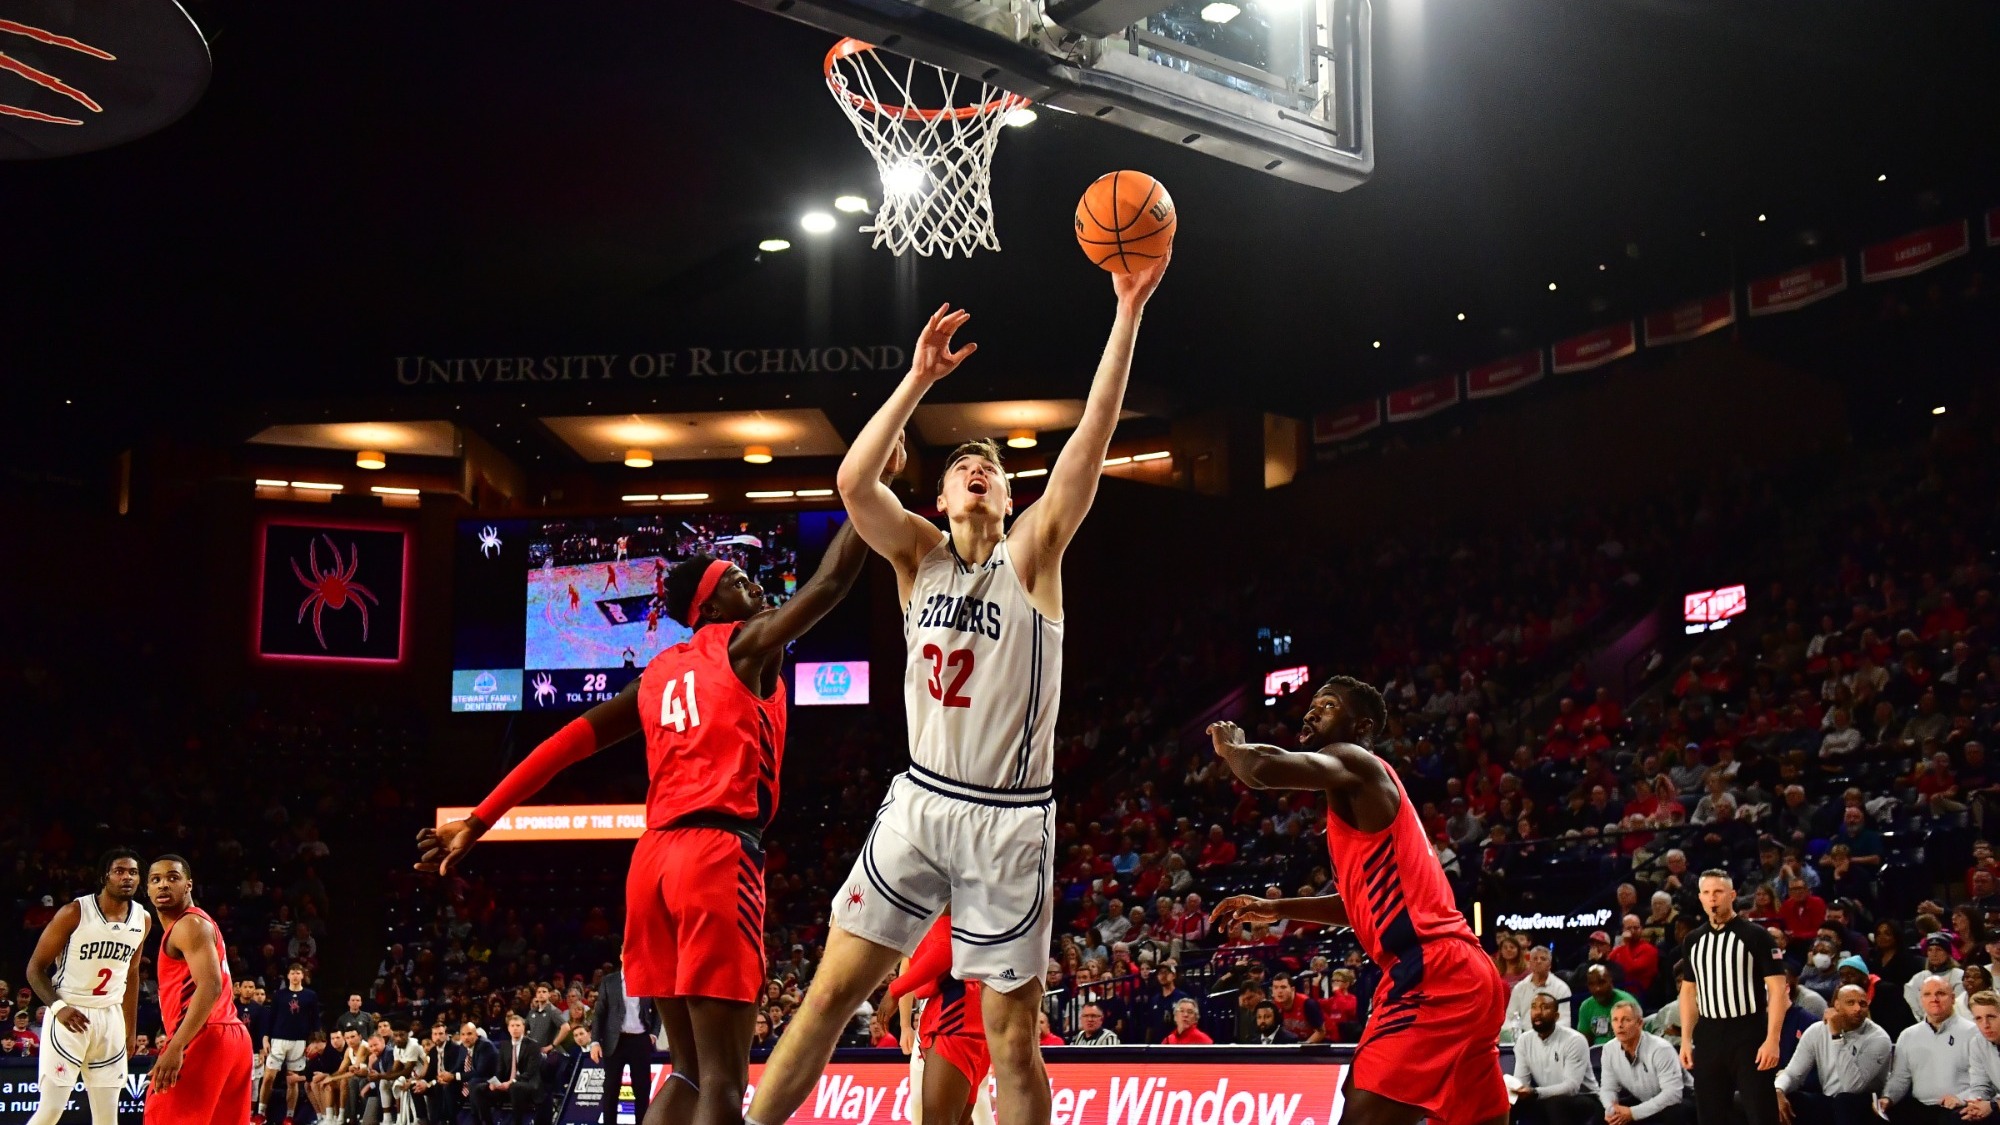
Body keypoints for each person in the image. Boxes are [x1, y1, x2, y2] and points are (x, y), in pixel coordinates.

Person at [746, 257, 1171, 1125]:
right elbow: (853, 484)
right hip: (921, 802)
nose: (978, 468)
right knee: (827, 995)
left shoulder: (1034, 555)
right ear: (939, 499)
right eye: (962, 465)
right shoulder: (917, 556)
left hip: (1010, 820)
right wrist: (916, 381)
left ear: (1010, 498)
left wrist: (1127, 311)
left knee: (1012, 1039)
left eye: (992, 467)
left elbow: (1092, 435)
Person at [420, 470, 878, 1125]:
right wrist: (865, 495)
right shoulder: (746, 644)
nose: (756, 588)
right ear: (712, 608)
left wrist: (482, 817)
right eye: (740, 582)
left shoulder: (657, 674)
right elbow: (828, 585)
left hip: (652, 865)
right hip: (715, 856)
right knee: (724, 1079)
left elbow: (563, 746)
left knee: (686, 1071)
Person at [1206, 675, 1509, 1125]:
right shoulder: (1361, 800)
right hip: (1464, 972)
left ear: (1361, 725)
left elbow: (1262, 768)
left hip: (1433, 972)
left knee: (1363, 1106)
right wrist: (1277, 908)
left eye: (1328, 705)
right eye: (1313, 704)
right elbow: (1358, 906)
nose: (1312, 711)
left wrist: (1232, 746)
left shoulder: (1355, 760)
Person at [23, 848, 148, 1125]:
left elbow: (132, 973)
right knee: (50, 1111)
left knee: (107, 1118)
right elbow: (34, 969)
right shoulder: (74, 912)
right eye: (119, 871)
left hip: (110, 1017)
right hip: (70, 1012)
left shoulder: (143, 919)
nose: (127, 877)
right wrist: (59, 1008)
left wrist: (130, 1030)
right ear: (105, 876)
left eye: (133, 872)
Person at [143, 855, 253, 1125]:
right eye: (156, 880)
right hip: (231, 1034)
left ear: (189, 885)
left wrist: (176, 1045)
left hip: (204, 1035)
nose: (163, 885)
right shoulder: (198, 923)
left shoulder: (188, 925)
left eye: (173, 878)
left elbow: (211, 985)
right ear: (147, 889)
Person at [1678, 869, 1787, 1125]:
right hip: (1709, 1035)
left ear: (1732, 895)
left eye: (1718, 892)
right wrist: (1685, 1039)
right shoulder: (1693, 940)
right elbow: (1688, 991)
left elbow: (1777, 989)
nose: (1712, 898)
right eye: (1706, 893)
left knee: (1761, 1113)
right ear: (1700, 898)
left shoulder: (1756, 935)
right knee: (1710, 1115)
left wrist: (1772, 1039)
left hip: (1748, 1033)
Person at [888, 916, 995, 1125]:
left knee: (971, 1102)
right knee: (926, 1101)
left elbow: (943, 950)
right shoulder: (922, 921)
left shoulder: (946, 912)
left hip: (958, 1006)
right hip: (949, 1009)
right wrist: (905, 1025)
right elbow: (907, 969)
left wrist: (893, 991)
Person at [1773, 984, 1891, 1125]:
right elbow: (1793, 1073)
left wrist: (1837, 1037)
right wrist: (1778, 1090)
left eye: (1863, 1004)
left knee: (1844, 1101)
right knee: (1791, 1099)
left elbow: (1852, 1087)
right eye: (1850, 1003)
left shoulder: (1878, 1038)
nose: (1857, 1008)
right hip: (1830, 1100)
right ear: (1837, 1005)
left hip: (1865, 1105)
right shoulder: (1816, 1031)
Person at [1878, 975, 1988, 1123]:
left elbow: (1985, 1082)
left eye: (1940, 994)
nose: (1934, 999)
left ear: (1953, 998)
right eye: (1927, 994)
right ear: (1921, 999)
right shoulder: (1908, 1035)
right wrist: (1887, 1098)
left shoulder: (1973, 1033)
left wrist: (1961, 1099)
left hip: (1959, 1108)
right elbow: (1900, 1078)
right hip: (1919, 1109)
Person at [587, 958, 659, 1125]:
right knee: (611, 1090)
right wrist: (595, 1042)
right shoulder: (609, 981)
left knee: (642, 1090)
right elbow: (599, 1013)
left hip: (640, 1040)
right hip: (614, 1041)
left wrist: (654, 1034)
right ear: (621, 956)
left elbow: (658, 1010)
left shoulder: (647, 979)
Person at [1511, 992, 1598, 1125]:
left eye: (1545, 1007)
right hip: (1546, 1096)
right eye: (1534, 1007)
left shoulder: (1574, 1040)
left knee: (1555, 1104)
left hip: (1584, 1097)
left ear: (1556, 1016)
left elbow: (1571, 1087)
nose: (1538, 1012)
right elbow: (1521, 1082)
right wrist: (1516, 1091)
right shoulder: (1524, 1040)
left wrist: (1535, 1092)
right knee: (1508, 1104)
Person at [1598, 999, 1686, 1124]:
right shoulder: (1609, 1049)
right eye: (1615, 1020)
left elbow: (1673, 1094)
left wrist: (1633, 1113)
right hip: (1644, 1099)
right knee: (1604, 1116)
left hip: (1681, 1100)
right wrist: (1611, 1109)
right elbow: (1608, 1088)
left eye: (1626, 1020)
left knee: (1672, 1114)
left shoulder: (1661, 1049)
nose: (1619, 1025)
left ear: (1640, 1023)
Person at [263, 964, 322, 1125]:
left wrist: (315, 1041)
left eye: (298, 973)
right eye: (292, 973)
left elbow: (315, 1020)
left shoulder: (310, 995)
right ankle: (260, 1112)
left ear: (302, 976)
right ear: (288, 976)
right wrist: (266, 1038)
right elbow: (271, 1017)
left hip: (299, 1040)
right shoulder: (279, 995)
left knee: (292, 1079)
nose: (295, 976)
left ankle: (289, 1116)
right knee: (268, 1077)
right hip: (278, 1039)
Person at [473, 1014, 541, 1125]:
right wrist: (494, 1083)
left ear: (523, 1027)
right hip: (507, 1085)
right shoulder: (505, 1045)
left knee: (515, 1087)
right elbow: (500, 1070)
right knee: (479, 1089)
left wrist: (511, 1082)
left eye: (518, 1025)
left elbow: (530, 1072)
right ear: (508, 1028)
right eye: (512, 1026)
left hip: (527, 1084)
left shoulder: (533, 1045)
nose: (515, 1028)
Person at [1505, 947, 1573, 1042]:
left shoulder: (1561, 988)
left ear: (1550, 965)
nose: (1538, 961)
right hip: (1523, 1039)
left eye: (1543, 959)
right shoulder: (1519, 988)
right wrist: (1516, 1036)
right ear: (1530, 963)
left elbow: (1564, 1021)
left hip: (1551, 1039)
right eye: (1535, 958)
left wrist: (1544, 1034)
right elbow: (1509, 1018)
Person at [1577, 965, 1641, 1046]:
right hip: (1597, 1051)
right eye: (1592, 984)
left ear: (1610, 981)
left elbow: (1635, 1041)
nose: (1597, 988)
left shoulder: (1628, 1004)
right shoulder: (1586, 1006)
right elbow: (1584, 1042)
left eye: (1602, 982)